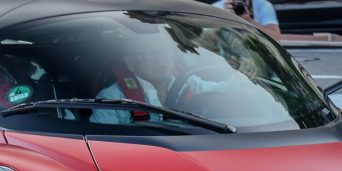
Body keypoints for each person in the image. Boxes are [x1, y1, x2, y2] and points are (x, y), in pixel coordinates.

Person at [90, 34, 249, 125]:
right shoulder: (113, 98)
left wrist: (242, 76)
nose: (161, 59)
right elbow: (98, 143)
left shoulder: (188, 83)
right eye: (150, 54)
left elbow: (224, 89)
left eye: (165, 51)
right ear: (130, 63)